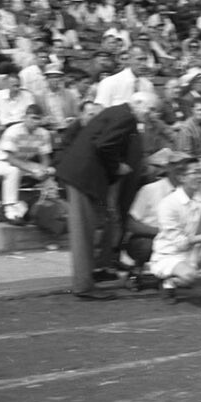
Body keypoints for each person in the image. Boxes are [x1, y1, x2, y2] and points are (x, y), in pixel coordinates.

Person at [56, 92, 154, 301]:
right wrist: (117, 167)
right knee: (83, 233)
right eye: (150, 108)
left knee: (88, 229)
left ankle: (89, 278)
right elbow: (105, 144)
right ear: (137, 103)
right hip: (83, 177)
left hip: (83, 176)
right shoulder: (125, 116)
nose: (151, 113)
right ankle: (84, 285)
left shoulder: (119, 113)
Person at [150, 159, 201, 307]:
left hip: (189, 252)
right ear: (182, 177)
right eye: (195, 172)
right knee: (190, 277)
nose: (200, 176)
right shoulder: (168, 204)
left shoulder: (200, 197)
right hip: (167, 255)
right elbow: (179, 243)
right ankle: (169, 282)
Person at [123, 148, 192, 291]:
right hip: (150, 238)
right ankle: (135, 273)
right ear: (168, 168)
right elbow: (131, 223)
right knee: (146, 246)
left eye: (185, 166)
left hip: (177, 240)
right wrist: (161, 232)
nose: (181, 169)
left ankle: (170, 276)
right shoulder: (149, 190)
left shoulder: (190, 192)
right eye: (176, 165)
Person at [0, 104, 56, 224]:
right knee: (13, 170)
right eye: (33, 118)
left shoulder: (43, 133)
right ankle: (10, 211)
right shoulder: (13, 131)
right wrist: (32, 170)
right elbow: (10, 159)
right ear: (25, 117)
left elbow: (45, 158)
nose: (36, 121)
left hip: (22, 163)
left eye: (38, 119)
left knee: (51, 170)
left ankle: (47, 209)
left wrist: (43, 170)